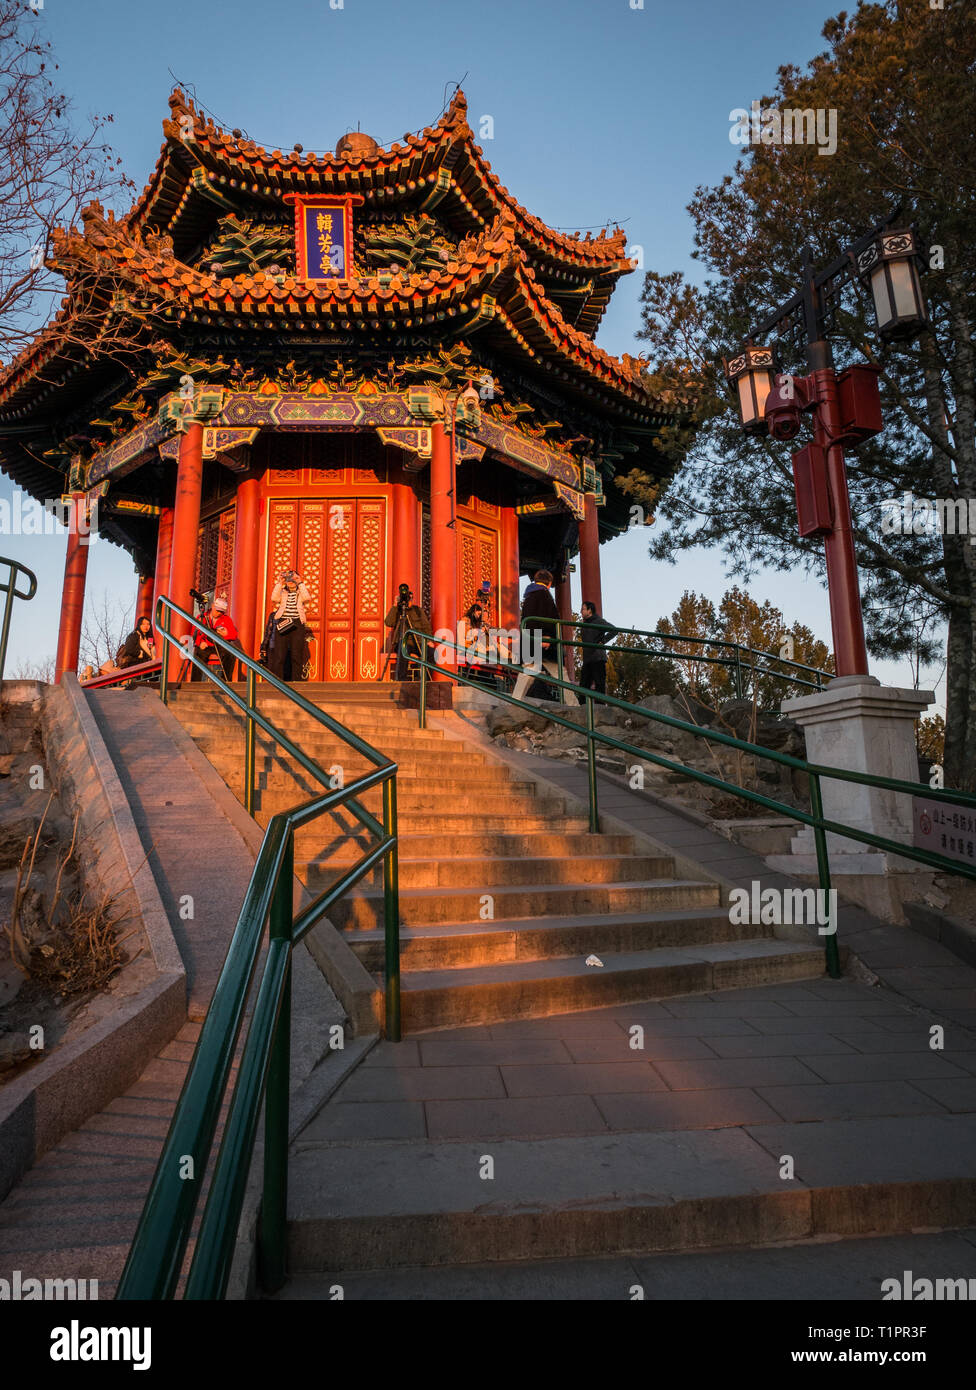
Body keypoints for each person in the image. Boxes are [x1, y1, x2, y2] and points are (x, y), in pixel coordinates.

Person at [512, 569, 579, 705]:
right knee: (561, 675)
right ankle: (574, 705)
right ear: (549, 583)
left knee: (527, 673)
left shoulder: (529, 596)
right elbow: (548, 619)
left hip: (530, 641)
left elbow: (528, 622)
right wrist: (547, 638)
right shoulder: (543, 595)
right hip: (544, 641)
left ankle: (515, 702)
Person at [267, 569, 312, 681]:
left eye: (293, 578)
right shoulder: (283, 592)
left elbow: (307, 598)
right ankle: (278, 681)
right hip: (283, 622)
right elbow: (274, 599)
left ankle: (296, 681)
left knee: (296, 654)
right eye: (288, 579)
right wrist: (279, 583)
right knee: (279, 654)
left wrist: (300, 582)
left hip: (297, 623)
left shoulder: (300, 592)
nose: (290, 580)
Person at [384, 583, 433, 680]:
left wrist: (429, 640)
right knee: (403, 650)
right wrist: (394, 606)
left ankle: (426, 680)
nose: (408, 601)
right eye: (406, 599)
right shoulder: (398, 610)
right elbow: (388, 622)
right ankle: (402, 681)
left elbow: (426, 625)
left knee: (431, 653)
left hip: (419, 642)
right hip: (405, 642)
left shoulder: (418, 610)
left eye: (410, 599)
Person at [577, 600, 618, 696]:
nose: (581, 611)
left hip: (597, 658)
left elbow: (614, 630)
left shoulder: (599, 621)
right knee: (583, 686)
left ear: (589, 610)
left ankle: (601, 708)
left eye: (583, 609)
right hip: (587, 659)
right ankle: (583, 708)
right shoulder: (584, 624)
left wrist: (603, 641)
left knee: (599, 685)